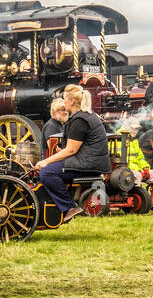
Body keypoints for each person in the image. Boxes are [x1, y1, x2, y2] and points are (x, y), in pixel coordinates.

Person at [30, 84, 110, 221]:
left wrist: (45, 161)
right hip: (90, 161)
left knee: (46, 173)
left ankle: (69, 207)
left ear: (72, 101)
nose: (64, 102)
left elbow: (71, 150)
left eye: (65, 99)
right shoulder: (86, 116)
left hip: (88, 164)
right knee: (48, 171)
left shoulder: (80, 120)